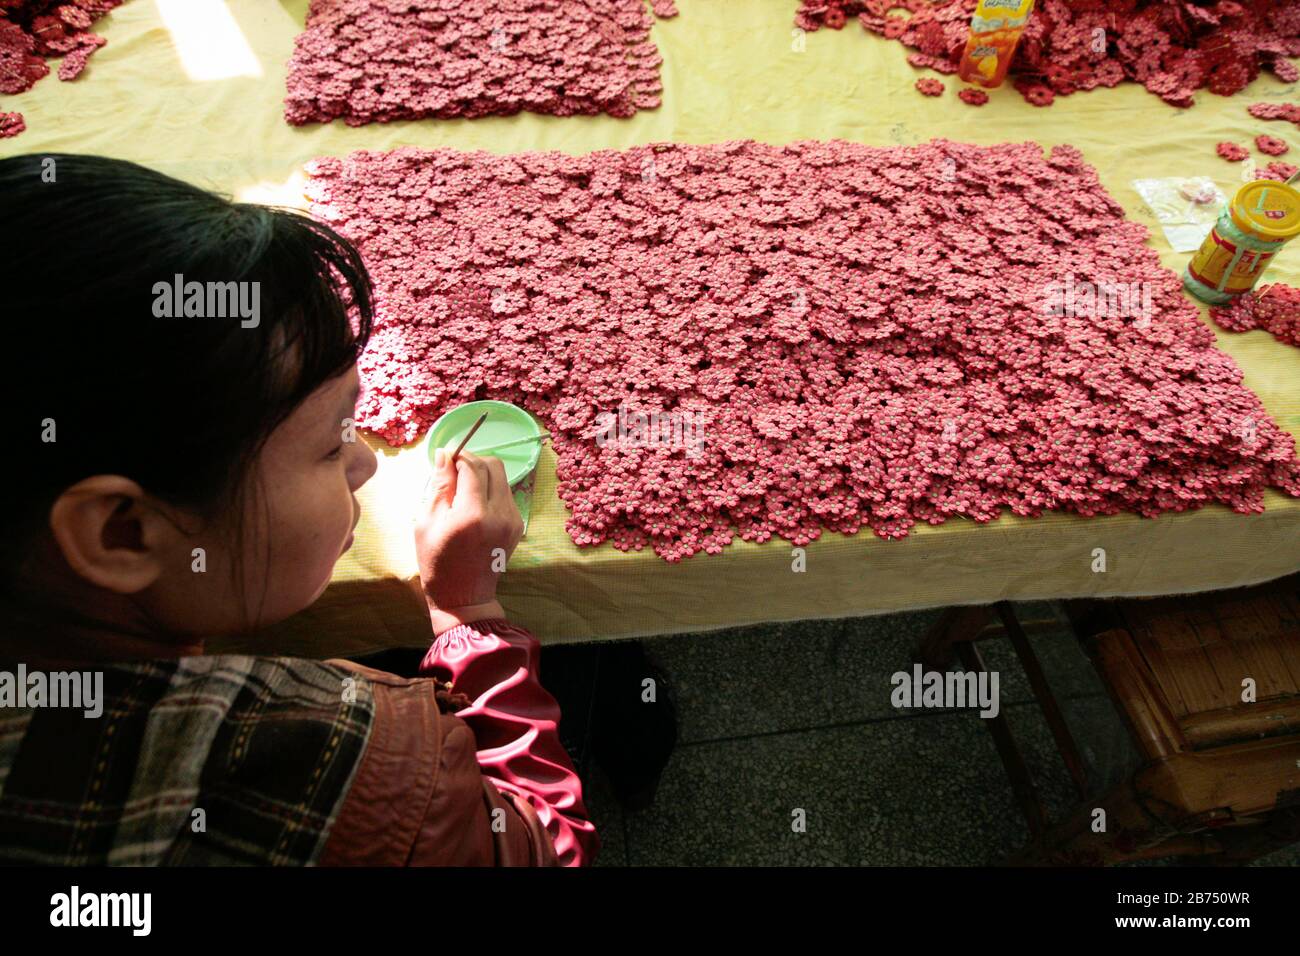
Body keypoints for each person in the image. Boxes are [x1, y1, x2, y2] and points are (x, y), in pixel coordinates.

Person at [0, 154, 598, 866]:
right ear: (121, 532)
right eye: (330, 443)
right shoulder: (335, 762)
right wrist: (469, 619)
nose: (365, 462)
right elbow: (545, 851)